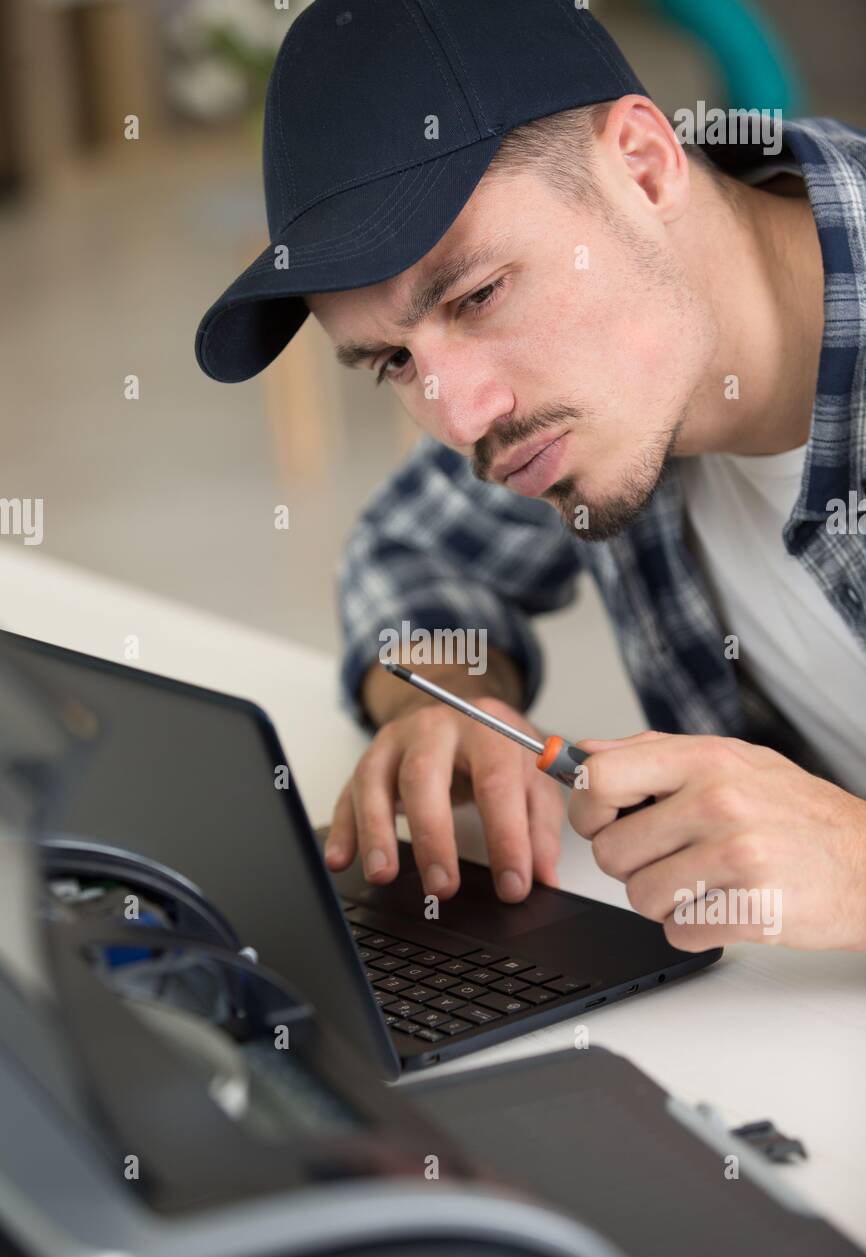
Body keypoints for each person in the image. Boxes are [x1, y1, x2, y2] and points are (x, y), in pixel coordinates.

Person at [195, 0, 866, 953]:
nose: (460, 414)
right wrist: (447, 704)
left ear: (642, 163)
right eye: (390, 362)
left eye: (478, 295)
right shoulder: (608, 391)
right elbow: (411, 548)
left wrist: (853, 866)